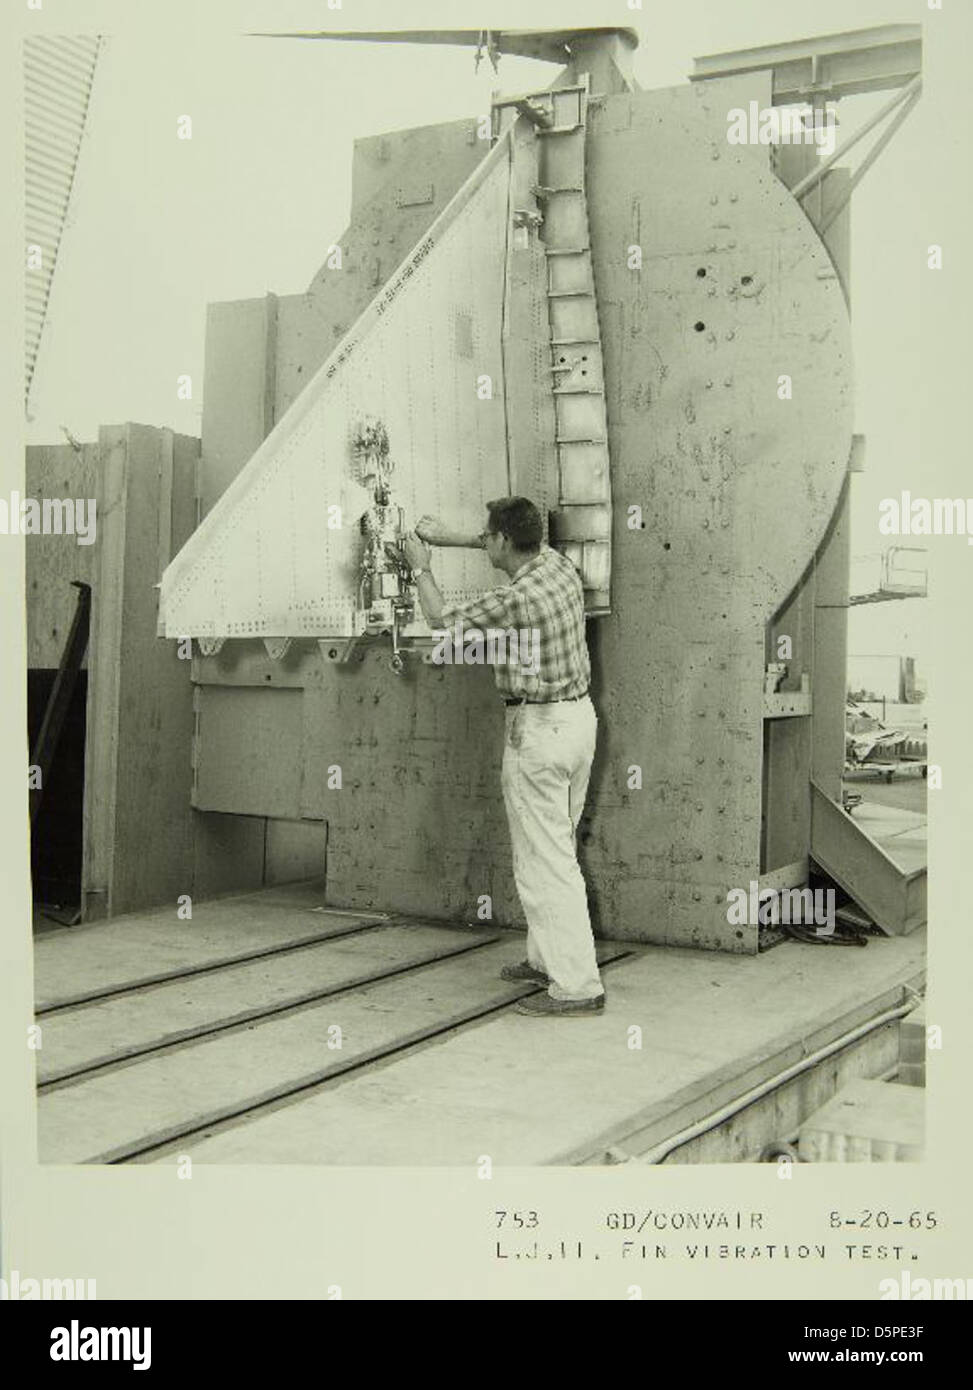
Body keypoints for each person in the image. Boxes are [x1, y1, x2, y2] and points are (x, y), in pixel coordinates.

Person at [401, 497, 605, 1017]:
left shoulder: (518, 598)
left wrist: (421, 566)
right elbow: (508, 541)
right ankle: (547, 960)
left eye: (486, 535)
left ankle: (578, 986)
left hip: (539, 732)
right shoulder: (554, 564)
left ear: (503, 543)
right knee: (551, 849)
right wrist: (451, 536)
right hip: (577, 723)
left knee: (546, 862)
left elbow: (442, 619)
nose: (482, 539)